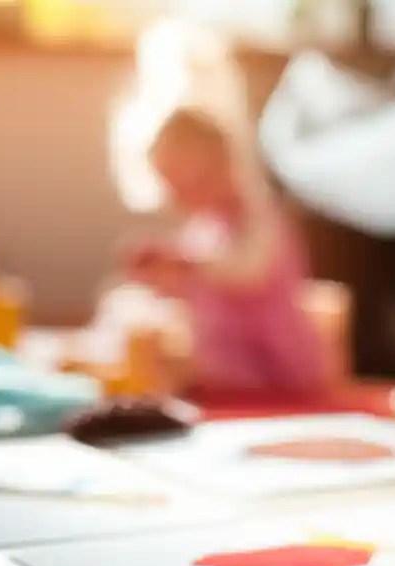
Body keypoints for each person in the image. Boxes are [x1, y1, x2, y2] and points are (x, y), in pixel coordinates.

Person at [114, 25, 326, 397]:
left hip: (273, 362)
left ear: (219, 165)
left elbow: (247, 270)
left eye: (185, 184)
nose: (179, 199)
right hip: (224, 362)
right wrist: (163, 276)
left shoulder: (257, 214)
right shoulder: (204, 225)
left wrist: (187, 264)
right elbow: (197, 289)